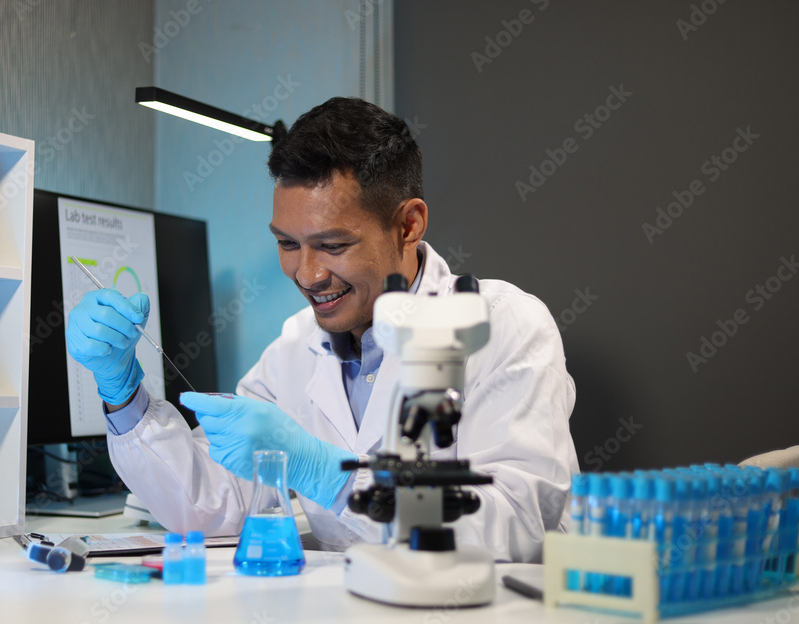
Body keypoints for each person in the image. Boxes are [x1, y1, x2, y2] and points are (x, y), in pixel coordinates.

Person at [65, 97, 579, 562]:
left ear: (408, 225)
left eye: (333, 245)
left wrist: (327, 476)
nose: (307, 275)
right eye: (288, 244)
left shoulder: (504, 325)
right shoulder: (294, 347)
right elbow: (208, 505)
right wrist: (123, 393)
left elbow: (519, 524)